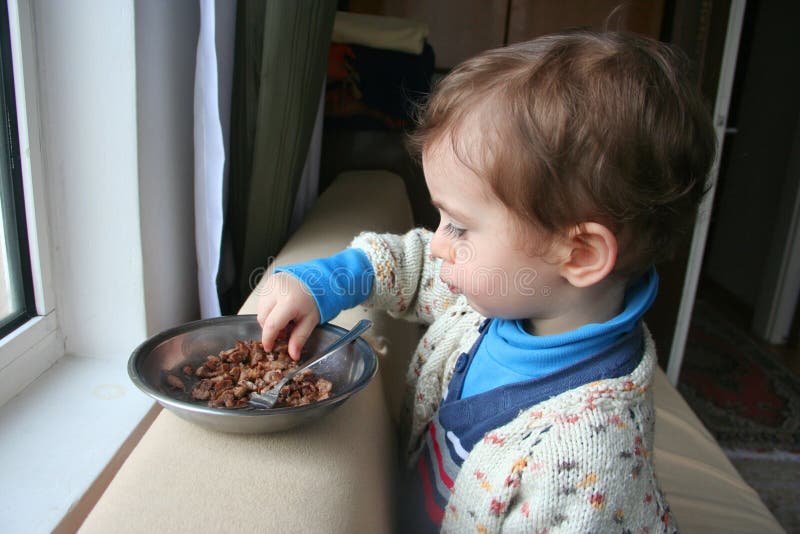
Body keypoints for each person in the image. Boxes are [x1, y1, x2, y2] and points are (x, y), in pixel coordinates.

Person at [256, 30, 715, 532]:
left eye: (459, 226)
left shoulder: (583, 464)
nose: (437, 243)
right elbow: (414, 269)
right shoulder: (511, 290)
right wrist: (328, 280)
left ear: (579, 254)